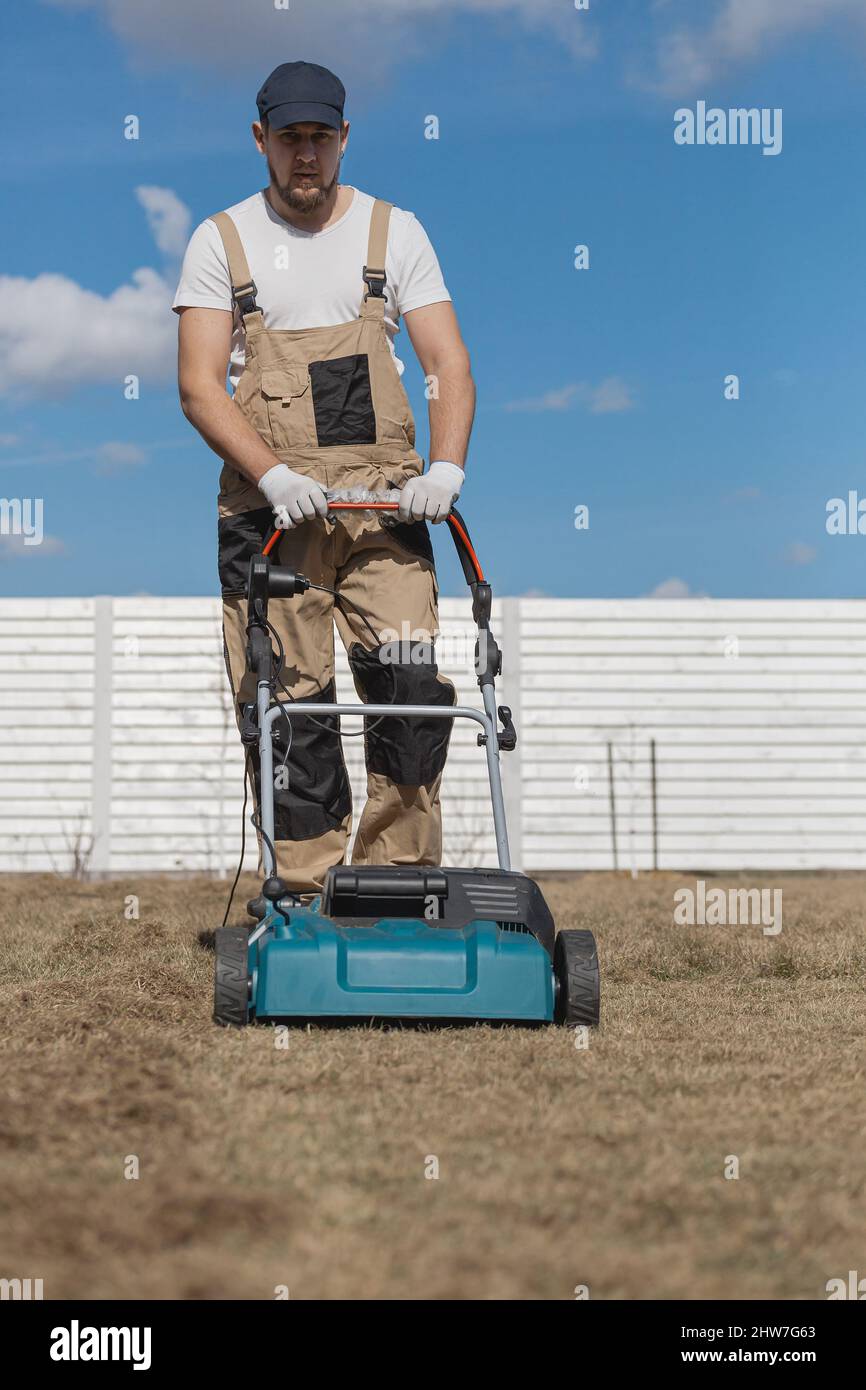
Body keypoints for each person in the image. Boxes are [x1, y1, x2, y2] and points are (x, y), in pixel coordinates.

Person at [173, 60, 475, 896]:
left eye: (320, 138)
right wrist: (271, 475)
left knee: (411, 691)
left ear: (344, 139)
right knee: (290, 711)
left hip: (384, 509)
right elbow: (199, 386)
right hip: (268, 516)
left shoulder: (392, 232)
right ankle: (302, 903)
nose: (305, 155)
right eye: (290, 138)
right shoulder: (221, 241)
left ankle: (397, 889)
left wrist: (445, 464)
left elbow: (447, 363)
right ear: (261, 140)